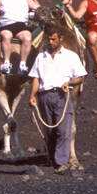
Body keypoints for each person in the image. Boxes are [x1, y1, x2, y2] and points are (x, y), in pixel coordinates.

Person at [28, 24, 86, 171]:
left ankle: (61, 162)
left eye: (54, 39)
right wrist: (32, 95)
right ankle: (53, 158)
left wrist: (69, 82)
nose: (51, 42)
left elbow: (80, 77)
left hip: (62, 95)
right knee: (49, 129)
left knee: (63, 129)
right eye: (49, 39)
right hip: (44, 95)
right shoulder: (41, 56)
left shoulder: (71, 56)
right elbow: (36, 78)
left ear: (61, 39)